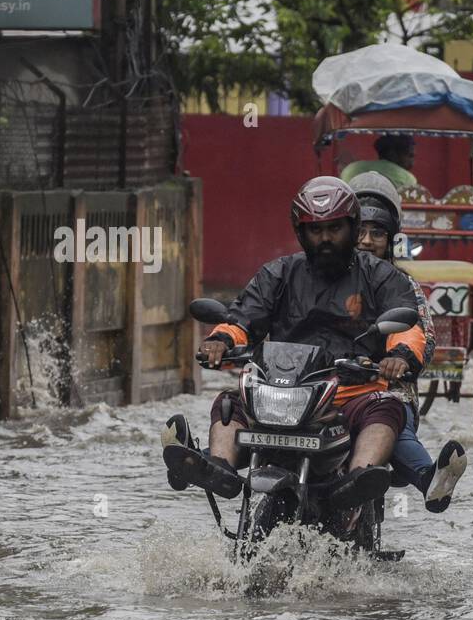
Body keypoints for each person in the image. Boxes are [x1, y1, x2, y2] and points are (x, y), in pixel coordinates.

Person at [164, 176, 426, 508]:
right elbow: (242, 319)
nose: (326, 239)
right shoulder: (278, 274)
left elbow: (406, 326)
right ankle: (220, 468)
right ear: (301, 233)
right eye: (316, 230)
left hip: (350, 397)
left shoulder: (383, 277)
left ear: (351, 227)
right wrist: (220, 342)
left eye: (335, 229)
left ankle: (360, 476)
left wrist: (400, 355)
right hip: (281, 397)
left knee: (387, 407)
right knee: (230, 403)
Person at [347, 171, 468, 513]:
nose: (367, 241)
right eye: (359, 232)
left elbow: (420, 335)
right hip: (320, 385)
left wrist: (400, 358)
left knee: (391, 415)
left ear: (391, 239)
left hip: (380, 386)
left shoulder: (401, 285)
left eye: (376, 233)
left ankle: (430, 479)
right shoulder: (311, 274)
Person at [340, 134, 417, 189]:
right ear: (392, 154)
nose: (412, 162)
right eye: (410, 156)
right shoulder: (408, 178)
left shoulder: (350, 169)